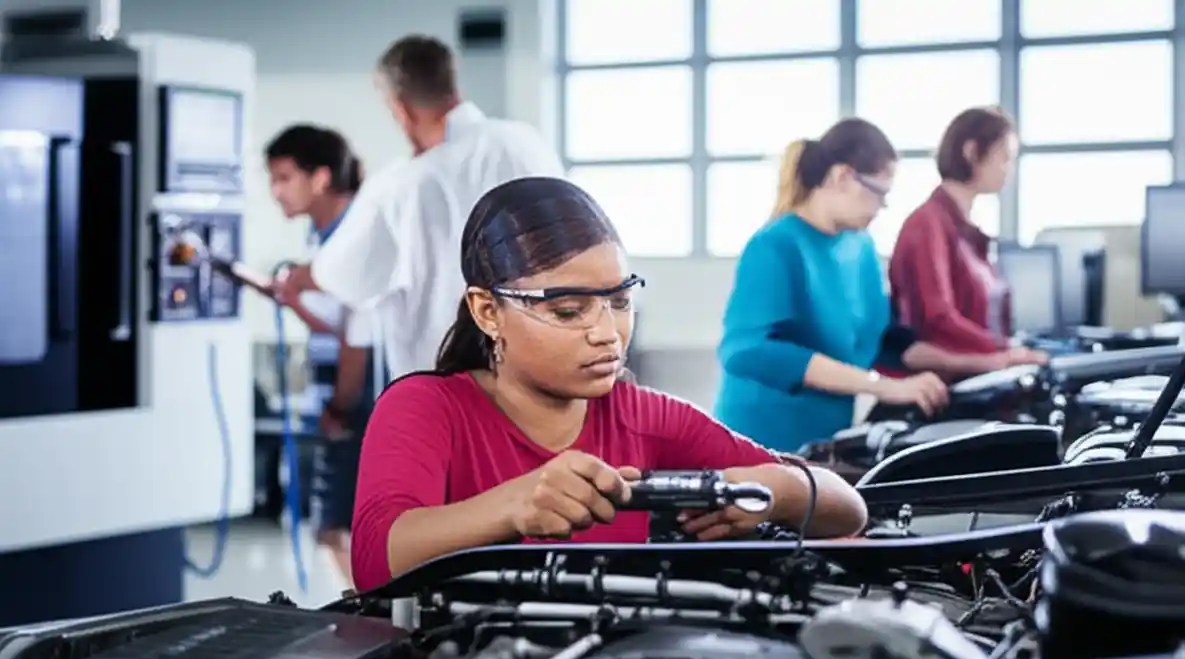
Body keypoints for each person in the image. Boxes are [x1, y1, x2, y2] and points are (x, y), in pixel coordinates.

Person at [349, 177, 867, 591]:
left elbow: (849, 508)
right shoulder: (426, 407)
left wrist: (778, 490)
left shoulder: (645, 417)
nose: (607, 333)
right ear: (488, 311)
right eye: (569, 310)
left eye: (619, 301)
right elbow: (374, 561)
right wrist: (513, 506)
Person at [714, 119, 1024, 454]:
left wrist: (990, 363)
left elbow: (883, 342)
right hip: (757, 441)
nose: (881, 208)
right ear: (842, 177)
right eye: (879, 193)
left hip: (823, 441)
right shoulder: (775, 245)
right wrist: (882, 387)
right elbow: (746, 351)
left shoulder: (860, 248)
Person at [273, 35, 565, 380]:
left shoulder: (403, 183)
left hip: (449, 387)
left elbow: (343, 274)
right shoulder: (527, 144)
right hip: (544, 375)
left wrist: (299, 277)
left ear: (401, 109)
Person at [264, 124, 376, 586]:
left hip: (358, 390)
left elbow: (360, 332)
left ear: (321, 177)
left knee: (334, 524)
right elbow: (338, 324)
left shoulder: (353, 236)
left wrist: (341, 404)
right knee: (333, 524)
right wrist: (294, 303)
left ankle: (375, 615)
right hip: (341, 383)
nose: (275, 192)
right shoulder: (324, 235)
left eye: (284, 178)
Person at [890, 107, 1048, 364]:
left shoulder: (966, 232)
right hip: (948, 385)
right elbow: (936, 319)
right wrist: (1003, 350)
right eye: (1005, 157)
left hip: (981, 375)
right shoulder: (928, 224)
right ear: (972, 152)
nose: (1009, 169)